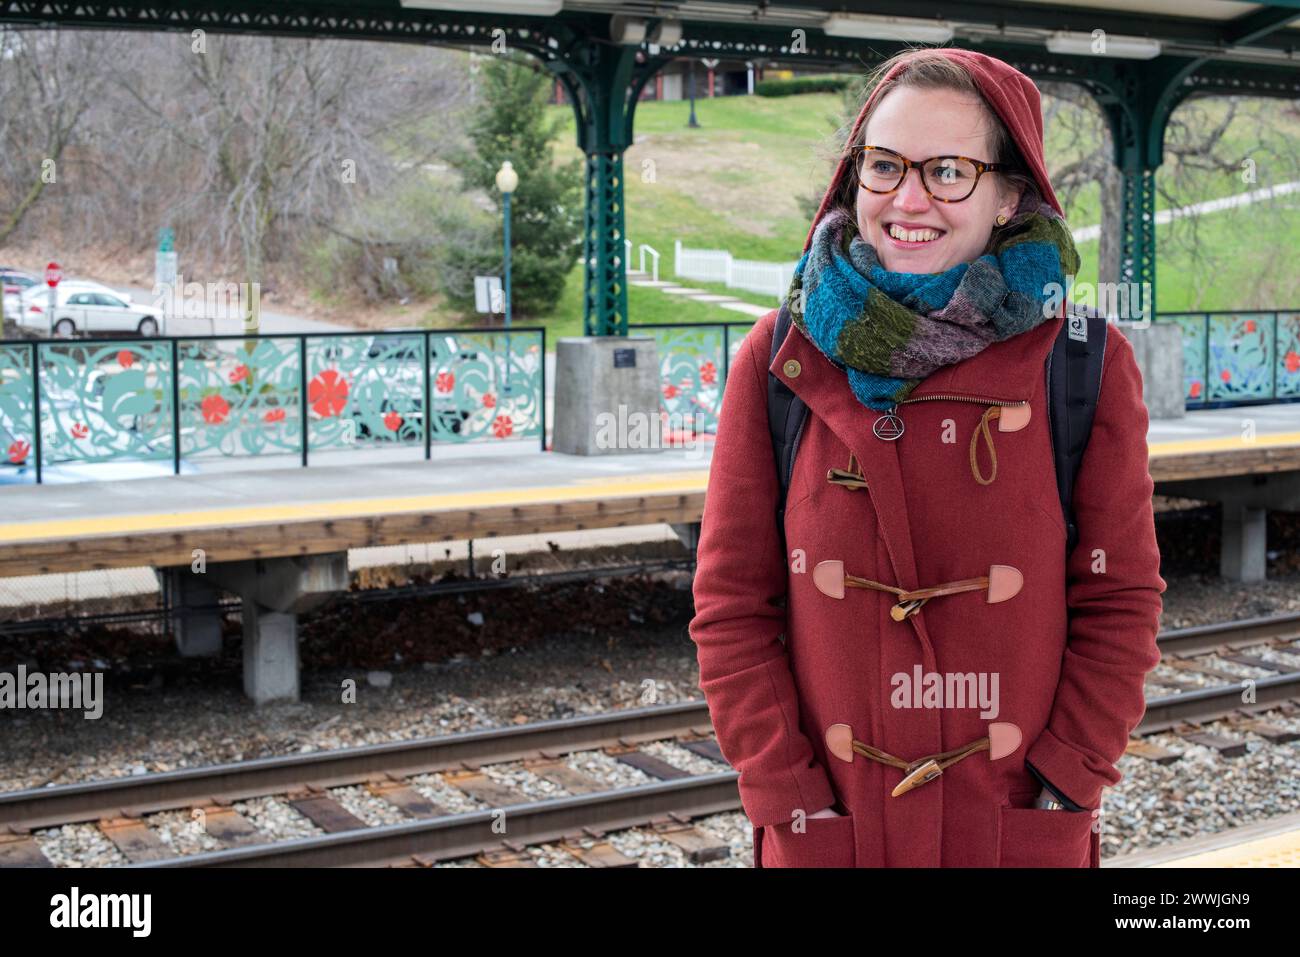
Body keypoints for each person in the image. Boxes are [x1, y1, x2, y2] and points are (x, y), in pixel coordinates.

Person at [687, 47, 1166, 868]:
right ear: (854, 177)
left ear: (1010, 194)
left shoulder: (1082, 363)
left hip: (1012, 838)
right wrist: (793, 807)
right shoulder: (780, 357)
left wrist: (1064, 786)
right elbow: (733, 611)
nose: (908, 199)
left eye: (949, 171)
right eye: (884, 165)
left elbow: (1119, 601)